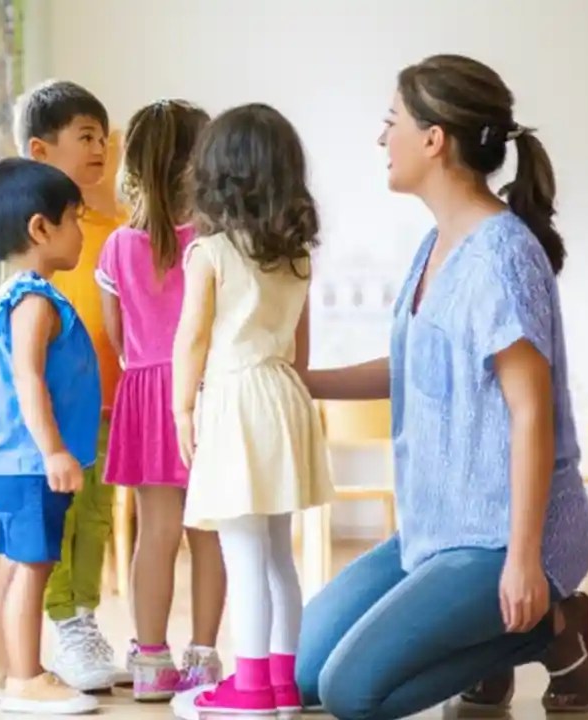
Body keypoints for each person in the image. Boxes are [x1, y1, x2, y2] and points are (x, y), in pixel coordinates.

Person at [294, 54, 588, 719]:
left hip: (510, 535)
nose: (383, 139)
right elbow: (413, 368)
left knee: (352, 693)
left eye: (392, 122)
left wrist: (523, 562)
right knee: (302, 670)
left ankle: (550, 626)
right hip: (436, 531)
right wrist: (303, 383)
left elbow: (531, 413)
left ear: (434, 138)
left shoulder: (501, 254)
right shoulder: (435, 246)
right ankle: (483, 638)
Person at [173, 103, 334, 715]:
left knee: (242, 556)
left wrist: (182, 408)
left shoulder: (210, 254)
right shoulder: (296, 257)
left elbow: (191, 339)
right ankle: (283, 685)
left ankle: (249, 688)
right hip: (283, 395)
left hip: (235, 399)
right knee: (276, 557)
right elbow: (300, 348)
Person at [95, 99, 226, 702]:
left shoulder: (116, 249)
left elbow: (119, 338)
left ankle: (149, 660)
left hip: (146, 393)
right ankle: (203, 657)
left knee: (155, 532)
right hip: (205, 391)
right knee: (208, 532)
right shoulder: (215, 241)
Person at [0, 157, 101, 715]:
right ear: (40, 228)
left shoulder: (16, 295)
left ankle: (6, 670)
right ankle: (25, 675)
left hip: (9, 462)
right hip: (29, 462)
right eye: (74, 220)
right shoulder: (35, 300)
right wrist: (53, 450)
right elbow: (28, 379)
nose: (81, 232)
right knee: (33, 564)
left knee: (9, 561)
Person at [13, 79, 130, 691]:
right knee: (54, 518)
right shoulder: (34, 236)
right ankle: (61, 624)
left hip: (109, 403)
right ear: (40, 151)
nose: (99, 148)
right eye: (85, 136)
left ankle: (82, 616)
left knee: (97, 516)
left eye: (103, 138)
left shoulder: (118, 229)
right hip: (50, 413)